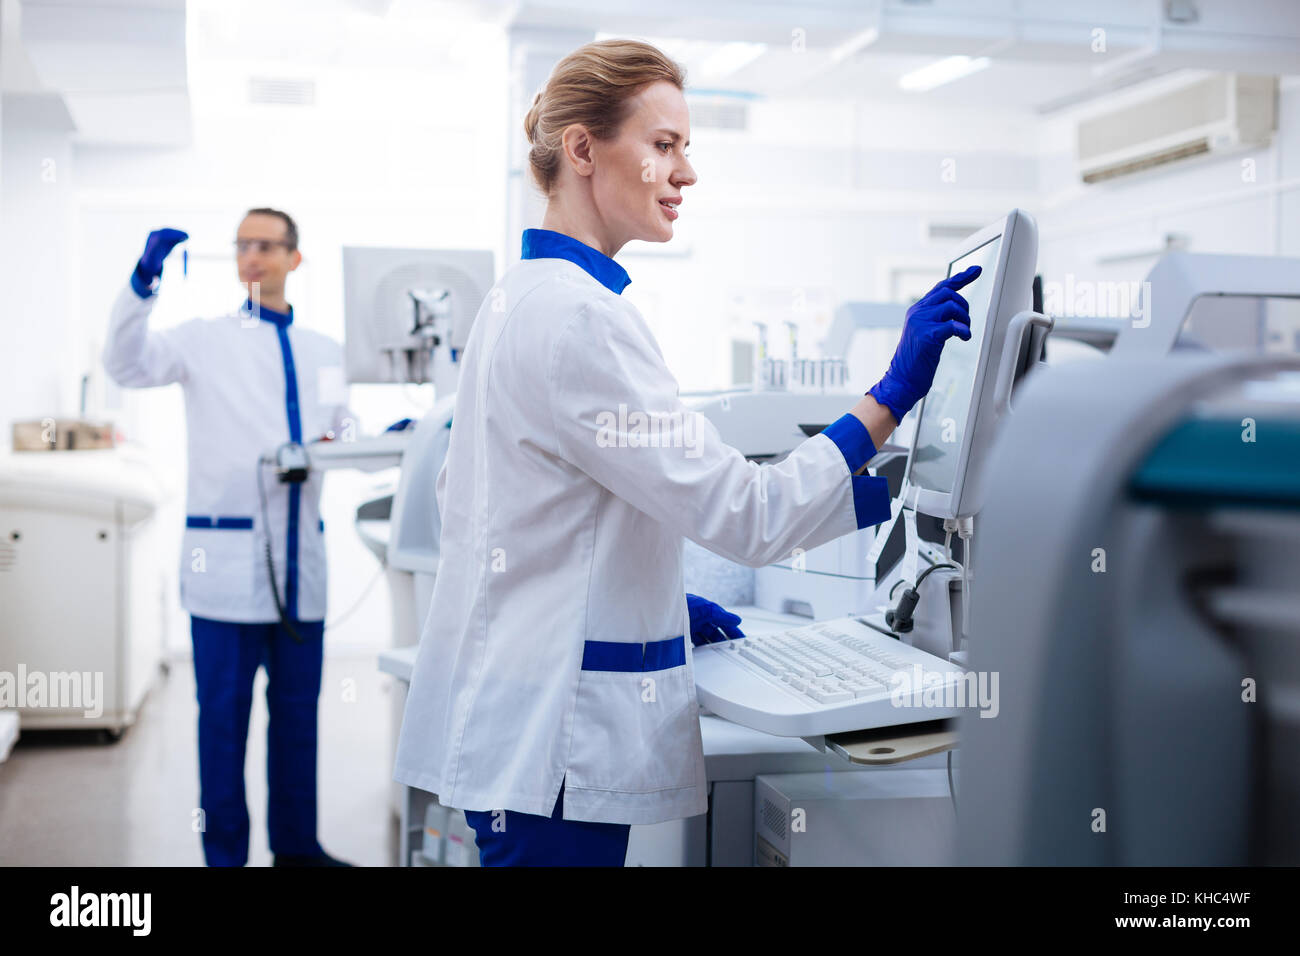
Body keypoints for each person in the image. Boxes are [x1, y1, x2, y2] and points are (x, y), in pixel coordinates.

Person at [393, 40, 979, 866]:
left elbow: (505, 513)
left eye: (686, 148)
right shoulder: (583, 320)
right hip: (557, 740)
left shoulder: (514, 300)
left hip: (523, 717)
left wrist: (658, 614)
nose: (686, 172)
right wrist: (888, 399)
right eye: (663, 145)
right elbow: (747, 513)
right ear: (585, 150)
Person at [102, 208, 354, 867]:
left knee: (298, 723)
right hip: (226, 569)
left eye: (266, 245)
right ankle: (225, 857)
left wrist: (359, 438)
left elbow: (341, 430)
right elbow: (126, 363)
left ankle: (299, 849)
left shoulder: (326, 350)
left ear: (294, 259)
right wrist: (143, 279)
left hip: (301, 568)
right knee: (222, 725)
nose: (252, 255)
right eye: (243, 245)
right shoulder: (202, 340)